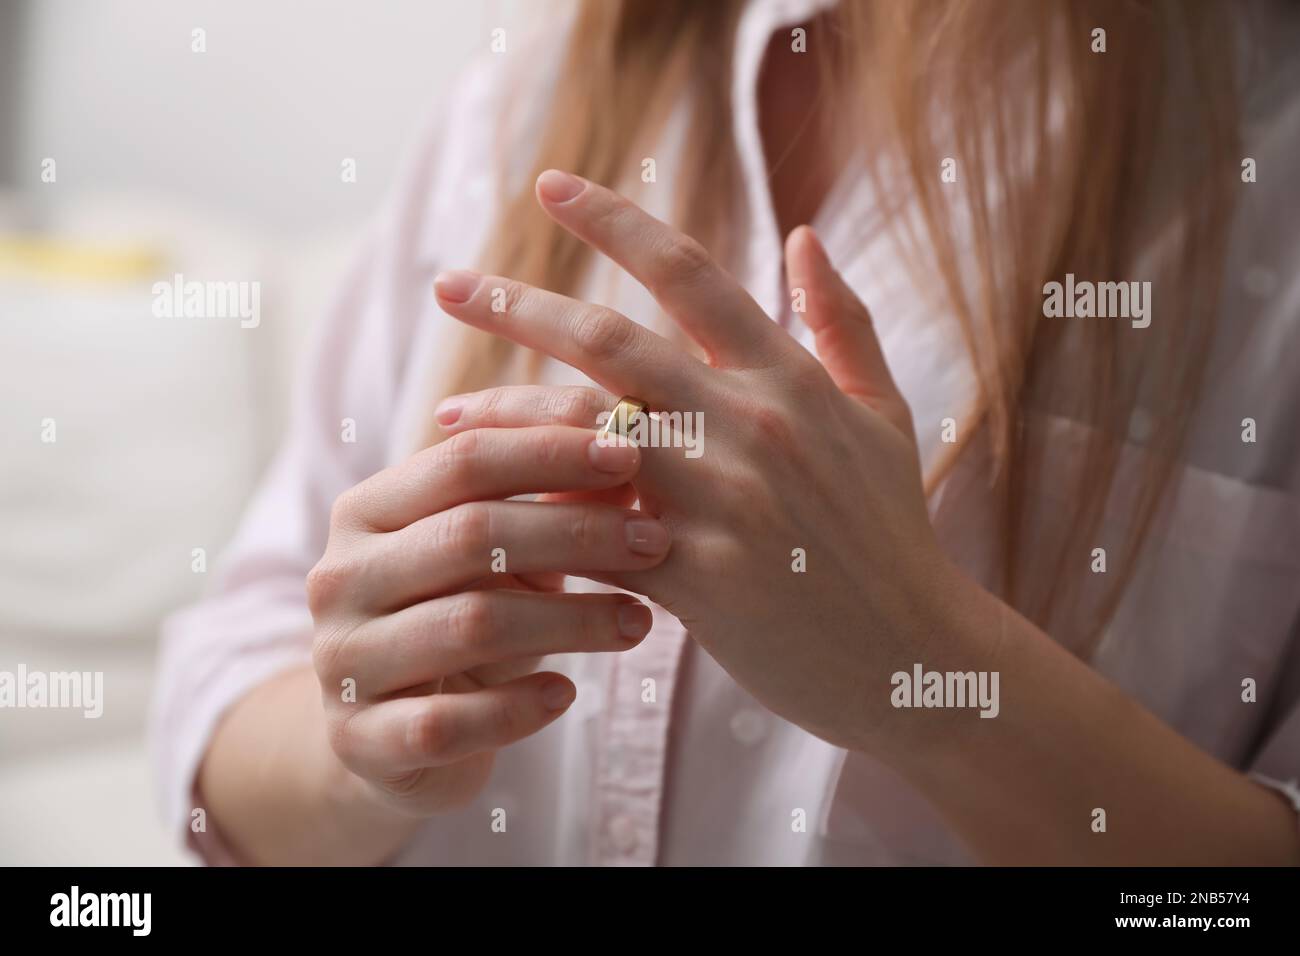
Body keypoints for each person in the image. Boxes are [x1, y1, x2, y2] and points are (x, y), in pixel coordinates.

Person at [151, 0, 1300, 865]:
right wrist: (367, 755)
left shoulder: (1266, 146)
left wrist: (930, 673)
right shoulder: (533, 84)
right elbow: (223, 687)